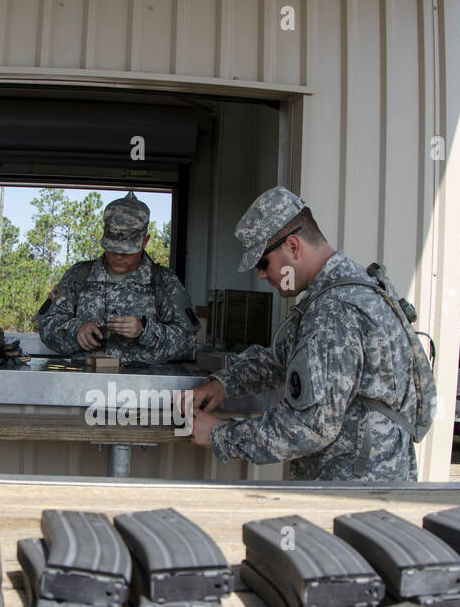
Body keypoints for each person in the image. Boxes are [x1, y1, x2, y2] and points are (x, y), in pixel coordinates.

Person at [185, 187, 436, 481]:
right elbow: (282, 360)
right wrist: (223, 385)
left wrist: (221, 434)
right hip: (357, 478)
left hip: (353, 490)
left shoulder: (335, 309)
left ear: (293, 246)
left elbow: (309, 427)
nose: (261, 275)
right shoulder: (339, 292)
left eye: (263, 263)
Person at [36, 192, 199, 364]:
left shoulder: (165, 282)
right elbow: (46, 325)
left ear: (144, 242)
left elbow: (189, 342)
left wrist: (145, 331)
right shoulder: (78, 276)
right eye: (112, 249)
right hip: (84, 384)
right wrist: (75, 330)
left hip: (144, 387)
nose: (119, 256)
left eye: (127, 251)